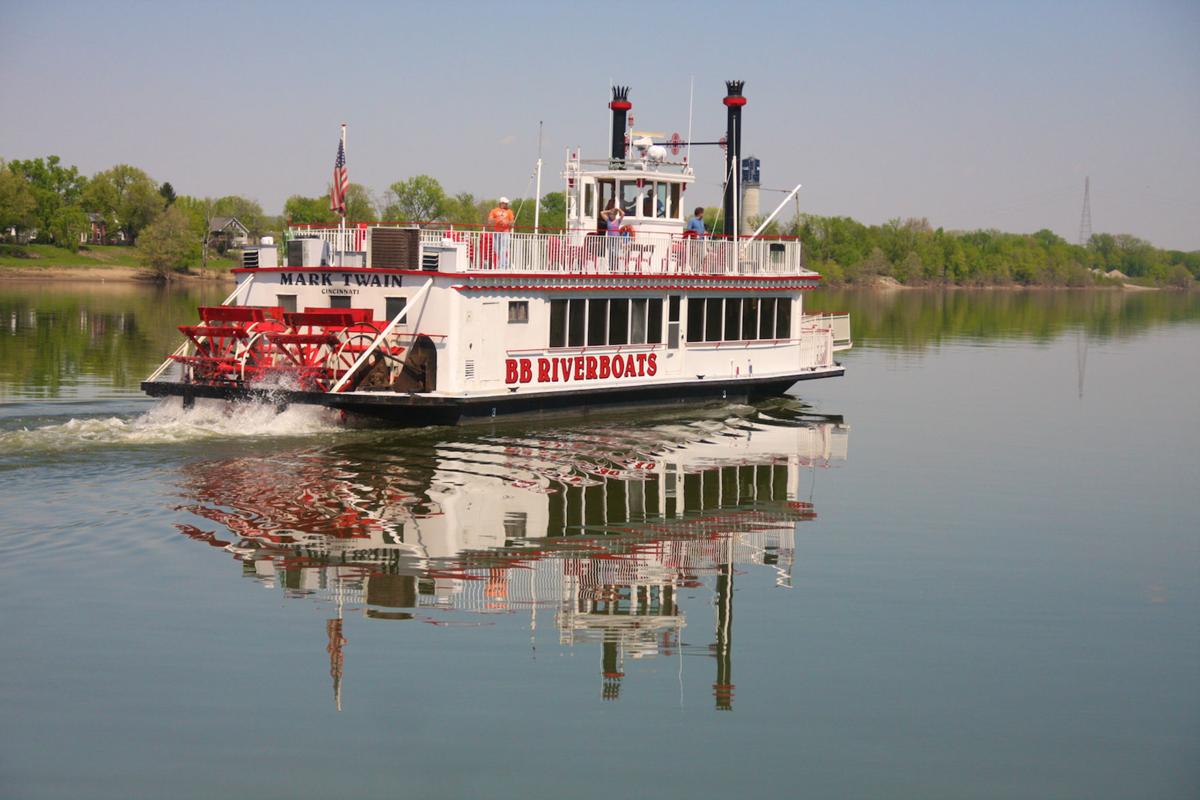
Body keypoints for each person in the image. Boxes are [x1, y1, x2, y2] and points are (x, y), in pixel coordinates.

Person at [488, 197, 515, 267]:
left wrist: (507, 222)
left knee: (503, 249)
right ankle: (506, 263)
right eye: (505, 203)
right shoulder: (494, 211)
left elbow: (512, 222)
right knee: (496, 248)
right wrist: (497, 219)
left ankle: (502, 265)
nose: (506, 205)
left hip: (505, 232)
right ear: (501, 203)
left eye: (507, 203)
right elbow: (489, 221)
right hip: (497, 232)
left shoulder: (509, 211)